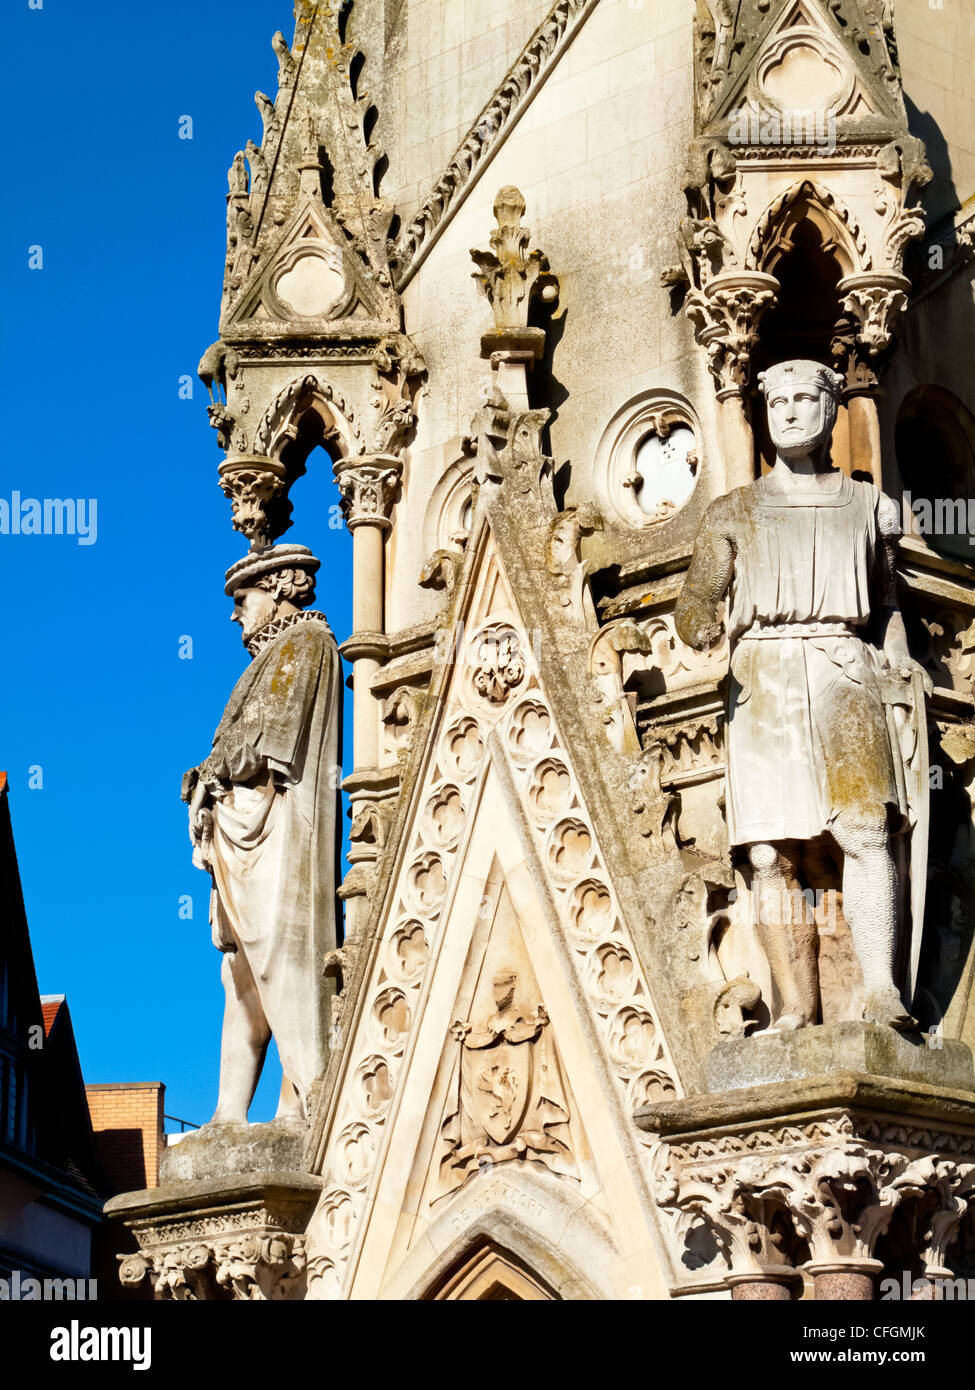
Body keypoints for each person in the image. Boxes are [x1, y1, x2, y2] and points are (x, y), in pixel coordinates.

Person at [675, 360, 929, 1030]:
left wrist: (901, 668)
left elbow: (883, 605)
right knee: (767, 852)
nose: (788, 412)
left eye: (803, 400)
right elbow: (695, 605)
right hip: (762, 680)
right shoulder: (731, 513)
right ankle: (794, 1005)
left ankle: (880, 989)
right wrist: (701, 615)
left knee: (865, 830)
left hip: (843, 670)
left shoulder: (872, 510)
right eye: (776, 401)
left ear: (830, 409)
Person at [182, 544, 340, 1122]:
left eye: (242, 598)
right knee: (243, 974)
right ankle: (228, 1113)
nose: (233, 613)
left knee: (284, 961)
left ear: (277, 589)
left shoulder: (306, 644)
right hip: (246, 836)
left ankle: (297, 1105)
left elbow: (268, 744)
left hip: (277, 836)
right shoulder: (275, 654)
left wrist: (211, 773)